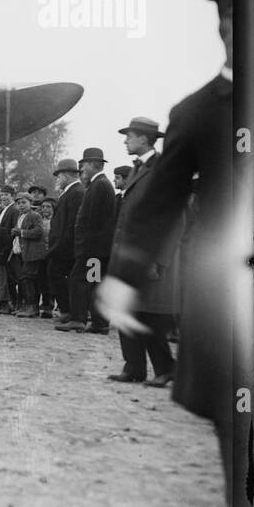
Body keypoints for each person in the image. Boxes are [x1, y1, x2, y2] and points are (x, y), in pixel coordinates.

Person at [100, 0, 254, 507]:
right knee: (237, 413)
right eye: (236, 26)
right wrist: (121, 279)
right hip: (235, 291)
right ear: (221, 33)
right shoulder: (197, 113)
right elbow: (156, 204)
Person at [106, 117, 178, 386]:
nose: (125, 140)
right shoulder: (138, 169)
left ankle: (166, 369)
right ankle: (134, 368)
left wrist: (159, 260)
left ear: (145, 139)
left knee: (146, 313)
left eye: (130, 136)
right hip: (129, 254)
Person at [58, 148, 115, 333]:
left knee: (78, 280)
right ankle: (100, 323)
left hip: (92, 249)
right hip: (97, 248)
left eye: (83, 165)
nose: (81, 169)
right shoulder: (101, 184)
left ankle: (78, 319)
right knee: (94, 282)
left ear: (91, 164)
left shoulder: (99, 185)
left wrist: (84, 248)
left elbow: (92, 219)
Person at [46, 158, 85, 325]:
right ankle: (68, 311)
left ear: (66, 176)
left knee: (57, 274)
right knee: (58, 275)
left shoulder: (76, 193)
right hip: (64, 246)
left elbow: (70, 225)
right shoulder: (69, 193)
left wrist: (58, 247)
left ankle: (70, 312)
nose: (57, 180)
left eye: (58, 176)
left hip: (67, 248)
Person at [10, 192, 46, 318]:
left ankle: (32, 307)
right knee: (26, 280)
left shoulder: (34, 215)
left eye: (24, 202)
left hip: (33, 253)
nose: (21, 205)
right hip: (23, 253)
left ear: (30, 203)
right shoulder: (20, 216)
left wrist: (22, 232)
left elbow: (39, 232)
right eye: (19, 203)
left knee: (28, 279)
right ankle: (29, 306)